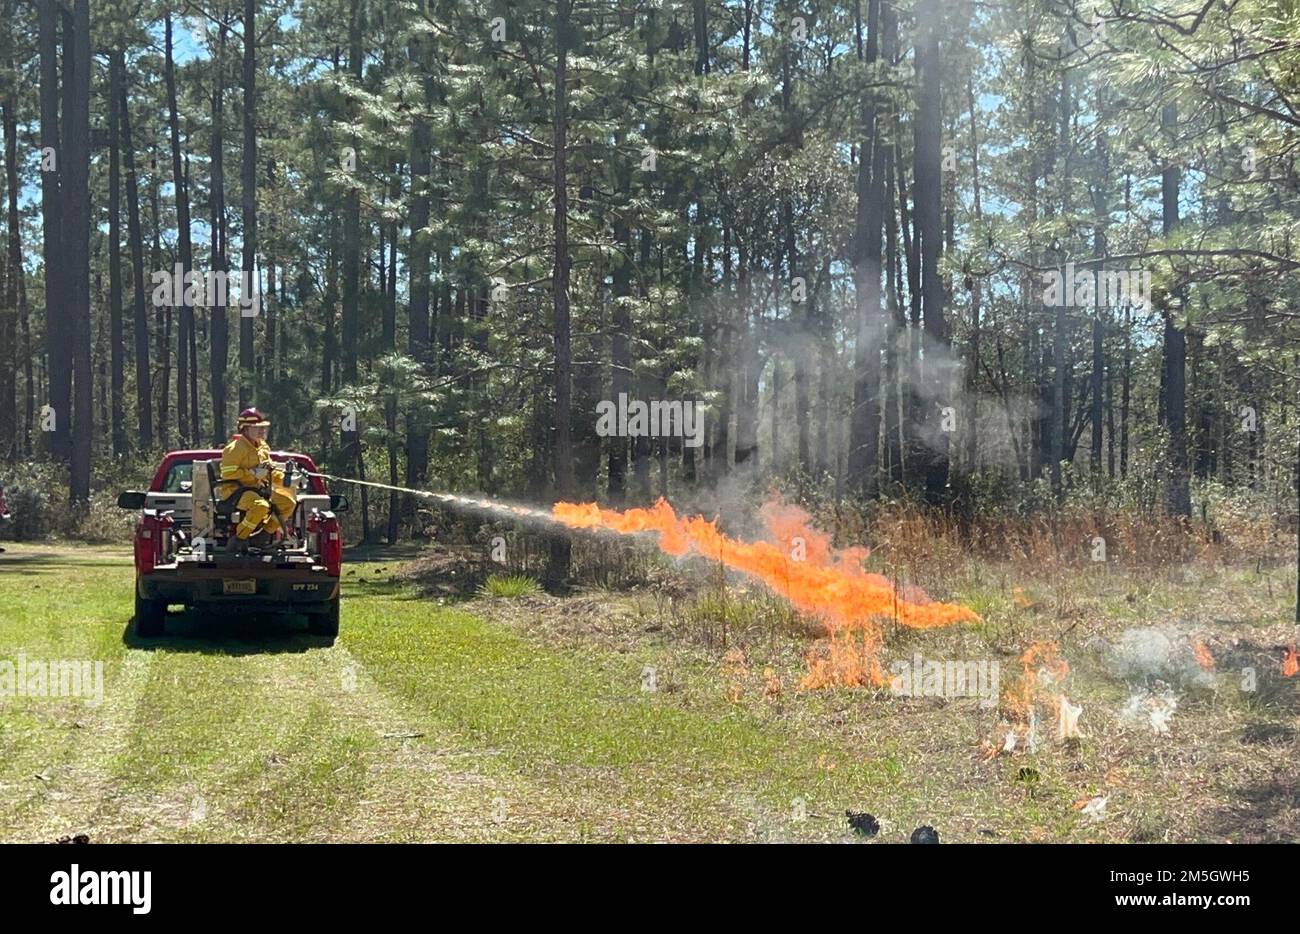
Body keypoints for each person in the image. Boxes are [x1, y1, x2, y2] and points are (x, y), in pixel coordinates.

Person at [217, 408, 296, 547]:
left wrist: (285, 479)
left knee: (288, 502)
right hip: (235, 491)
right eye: (257, 428)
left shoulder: (263, 447)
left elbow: (269, 470)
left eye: (263, 427)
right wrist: (252, 473)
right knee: (260, 506)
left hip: (257, 489)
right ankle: (240, 538)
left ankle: (263, 535)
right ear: (245, 429)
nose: (262, 431)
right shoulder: (234, 448)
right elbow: (228, 474)